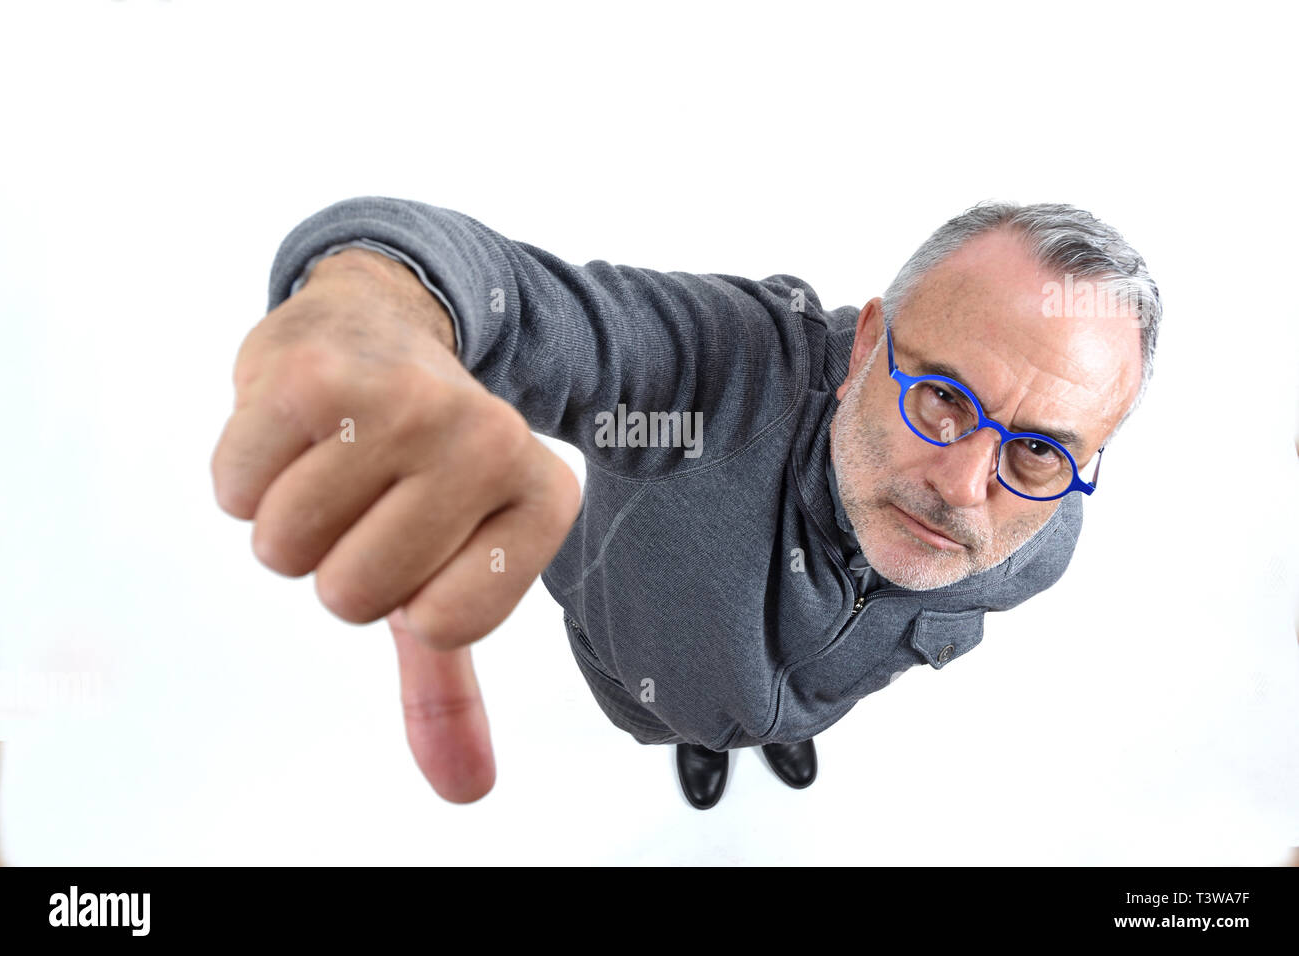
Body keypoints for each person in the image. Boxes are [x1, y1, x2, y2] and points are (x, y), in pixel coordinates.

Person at [211, 199, 1159, 809]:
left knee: (774, 725)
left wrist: (788, 716)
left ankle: (768, 739)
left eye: (1039, 452)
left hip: (797, 707)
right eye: (944, 397)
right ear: (869, 342)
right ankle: (693, 746)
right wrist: (372, 309)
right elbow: (518, 301)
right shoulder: (720, 373)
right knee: (671, 725)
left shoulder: (1041, 543)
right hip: (637, 669)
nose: (963, 487)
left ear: (1090, 461)